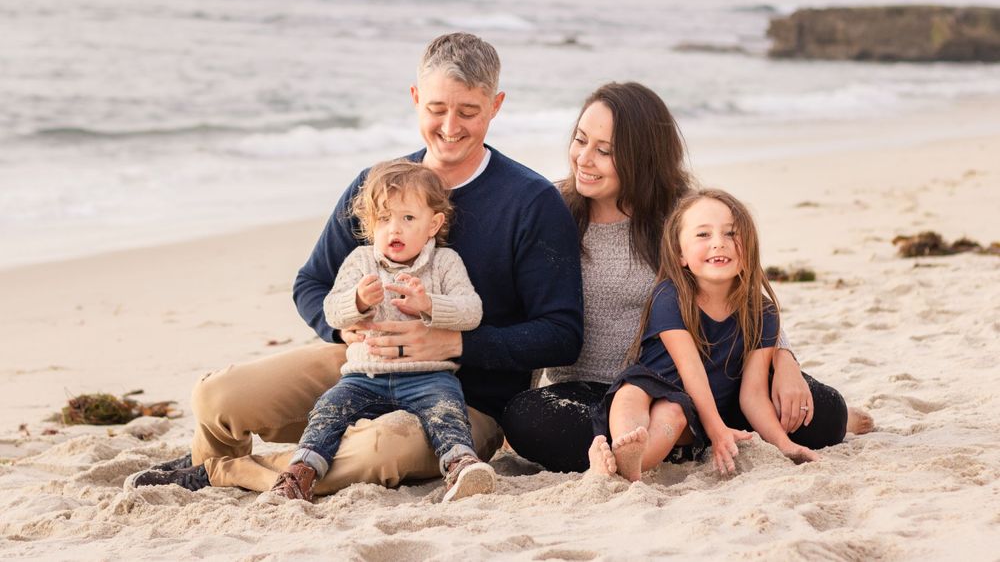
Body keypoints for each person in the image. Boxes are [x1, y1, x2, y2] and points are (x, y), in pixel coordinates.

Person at [126, 32, 584, 495]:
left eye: (468, 112)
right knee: (217, 397)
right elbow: (311, 283)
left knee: (380, 450)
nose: (450, 127)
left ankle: (222, 473)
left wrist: (453, 343)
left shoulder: (531, 201)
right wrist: (346, 331)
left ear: (496, 105)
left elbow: (561, 334)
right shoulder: (376, 186)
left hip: (465, 404)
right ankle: (213, 457)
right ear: (414, 97)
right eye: (436, 109)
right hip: (359, 367)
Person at [502, 82, 870, 474]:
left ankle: (682, 436)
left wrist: (786, 359)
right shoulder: (551, 213)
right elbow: (531, 312)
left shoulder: (686, 215)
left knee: (825, 412)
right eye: (580, 140)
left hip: (708, 381)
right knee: (526, 419)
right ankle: (681, 438)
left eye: (605, 151)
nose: (584, 159)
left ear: (643, 157)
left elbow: (745, 290)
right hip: (599, 392)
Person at [270, 159, 494, 502]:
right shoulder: (360, 261)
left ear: (433, 224)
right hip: (364, 375)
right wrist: (357, 301)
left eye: (408, 218)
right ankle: (299, 473)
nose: (395, 229)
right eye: (384, 219)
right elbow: (331, 310)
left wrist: (429, 304)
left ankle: (461, 465)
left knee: (447, 410)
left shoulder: (446, 263)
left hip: (428, 375)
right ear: (370, 225)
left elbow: (471, 311)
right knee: (329, 410)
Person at [588, 189, 819, 481]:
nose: (719, 244)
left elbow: (754, 393)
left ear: (749, 249)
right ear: (680, 254)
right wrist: (717, 431)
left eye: (731, 233)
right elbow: (690, 368)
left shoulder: (763, 312)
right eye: (703, 235)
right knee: (630, 392)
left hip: (691, 410)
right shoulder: (671, 295)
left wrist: (784, 445)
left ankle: (635, 463)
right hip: (653, 382)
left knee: (672, 413)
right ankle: (624, 444)